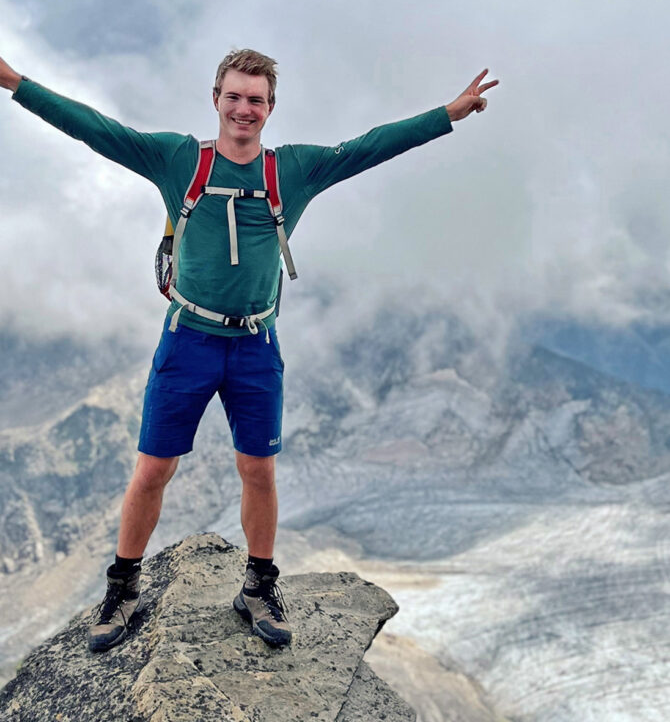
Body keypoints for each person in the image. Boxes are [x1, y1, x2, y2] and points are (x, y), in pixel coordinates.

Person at [0, 50, 498, 650]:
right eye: (234, 96)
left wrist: (449, 113)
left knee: (258, 469)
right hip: (188, 339)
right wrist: (14, 82)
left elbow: (372, 146)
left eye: (255, 100)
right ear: (215, 99)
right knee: (153, 469)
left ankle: (258, 586)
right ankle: (123, 587)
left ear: (270, 108)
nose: (244, 109)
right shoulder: (178, 159)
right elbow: (96, 129)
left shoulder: (294, 170)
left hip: (256, 345)